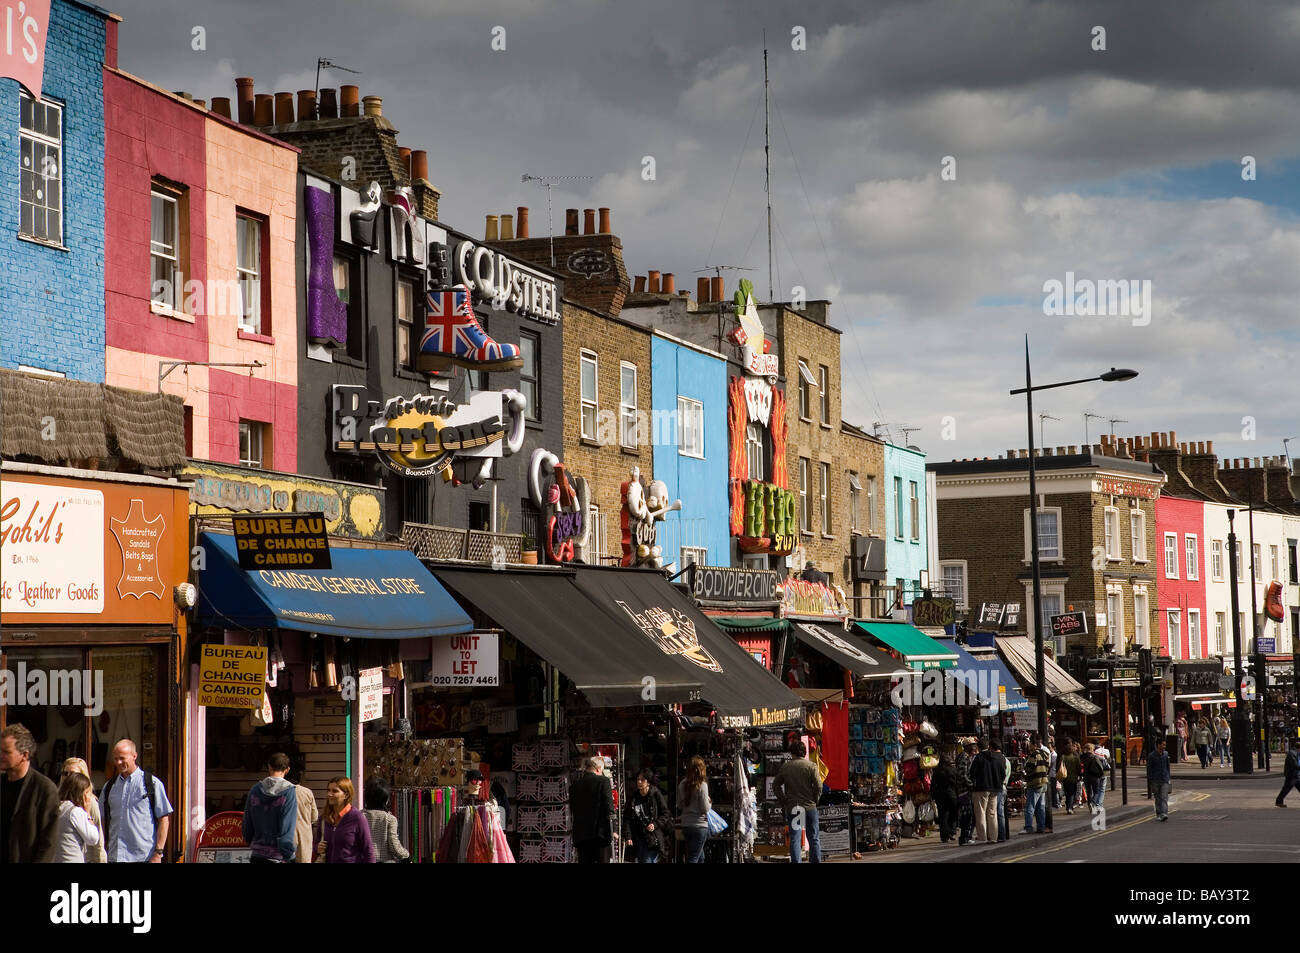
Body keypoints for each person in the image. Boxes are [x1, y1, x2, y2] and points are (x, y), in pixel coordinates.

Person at [100, 739, 173, 863]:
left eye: (122, 758)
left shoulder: (152, 783)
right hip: (115, 856)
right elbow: (101, 820)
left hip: (144, 857)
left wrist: (158, 853)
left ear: (134, 756)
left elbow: (164, 819)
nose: (118, 762)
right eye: (115, 758)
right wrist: (102, 849)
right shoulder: (109, 787)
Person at [1, 724, 59, 864]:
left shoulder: (44, 789)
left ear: (25, 755)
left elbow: (48, 843)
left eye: (6, 752)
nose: (1, 756)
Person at [242, 752, 298, 864]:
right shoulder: (289, 792)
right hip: (279, 855)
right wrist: (288, 854)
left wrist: (250, 841)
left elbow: (247, 822)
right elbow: (287, 825)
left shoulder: (255, 790)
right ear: (287, 769)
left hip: (257, 854)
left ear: (269, 766)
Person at [773, 740, 823, 863]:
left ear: (792, 752)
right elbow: (819, 786)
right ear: (804, 752)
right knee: (814, 838)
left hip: (795, 808)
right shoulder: (811, 766)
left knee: (795, 839)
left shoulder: (786, 767)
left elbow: (775, 785)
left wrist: (784, 800)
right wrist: (815, 799)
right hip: (810, 807)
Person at [316, 777, 374, 863]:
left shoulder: (357, 817)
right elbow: (315, 844)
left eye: (334, 791)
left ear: (346, 795)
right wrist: (317, 848)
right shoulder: (324, 818)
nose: (329, 794)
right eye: (328, 790)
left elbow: (368, 850)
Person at [570, 756, 615, 863]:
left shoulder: (575, 785)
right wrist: (614, 829)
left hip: (582, 836)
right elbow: (609, 807)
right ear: (599, 768)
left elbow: (573, 808)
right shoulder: (603, 781)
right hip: (600, 834)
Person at [61, 758, 106, 864]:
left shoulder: (90, 802)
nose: (68, 777)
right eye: (65, 773)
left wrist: (99, 860)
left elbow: (97, 838)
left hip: (87, 858)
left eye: (73, 774)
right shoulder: (59, 800)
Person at [54, 772, 101, 863]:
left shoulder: (57, 808)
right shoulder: (75, 812)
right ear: (82, 793)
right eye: (88, 792)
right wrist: (88, 813)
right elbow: (93, 838)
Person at [624, 771, 671, 862]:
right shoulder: (633, 797)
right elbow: (627, 818)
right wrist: (628, 836)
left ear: (648, 782)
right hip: (639, 838)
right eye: (638, 779)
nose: (639, 782)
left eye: (642, 780)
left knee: (647, 861)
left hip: (653, 837)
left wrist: (655, 824)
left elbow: (666, 813)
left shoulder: (655, 794)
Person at [362, 777, 409, 863]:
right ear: (386, 799)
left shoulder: (358, 816)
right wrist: (406, 856)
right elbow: (394, 846)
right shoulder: (389, 819)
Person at [967, 739, 1003, 844]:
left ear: (978, 747)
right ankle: (993, 837)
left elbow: (972, 773)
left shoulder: (979, 758)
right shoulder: (997, 757)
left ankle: (982, 837)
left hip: (981, 788)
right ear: (988, 746)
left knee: (981, 813)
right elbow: (1002, 772)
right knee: (992, 813)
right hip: (995, 788)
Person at [677, 755, 711, 863]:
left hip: (686, 824)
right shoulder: (702, 785)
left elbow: (679, 804)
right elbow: (705, 808)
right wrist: (710, 802)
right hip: (699, 825)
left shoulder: (682, 784)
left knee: (699, 857)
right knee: (694, 858)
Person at [1021, 732, 1050, 835]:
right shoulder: (1045, 753)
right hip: (1044, 782)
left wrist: (1025, 770)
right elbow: (1048, 766)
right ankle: (1041, 827)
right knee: (1040, 806)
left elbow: (1029, 768)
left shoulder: (1034, 755)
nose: (1029, 747)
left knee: (1030, 806)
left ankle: (1028, 827)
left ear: (1034, 745)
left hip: (1035, 783)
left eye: (1030, 745)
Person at [930, 755, 960, 843]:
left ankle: (944, 836)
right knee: (953, 814)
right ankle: (952, 832)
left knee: (943, 816)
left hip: (940, 796)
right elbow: (957, 784)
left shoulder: (937, 771)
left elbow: (933, 785)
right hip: (952, 796)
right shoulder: (953, 771)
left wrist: (933, 796)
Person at [293, 778, 318, 863]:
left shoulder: (281, 791)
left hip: (285, 835)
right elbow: (314, 817)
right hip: (304, 836)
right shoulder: (307, 792)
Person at [955, 742, 975, 844]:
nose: (974, 747)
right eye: (972, 745)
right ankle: (965, 837)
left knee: (967, 814)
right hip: (964, 791)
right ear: (967, 746)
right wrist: (971, 784)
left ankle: (966, 836)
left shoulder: (965, 756)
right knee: (967, 814)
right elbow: (962, 775)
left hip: (964, 790)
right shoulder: (964, 757)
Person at [1147, 739, 1171, 821]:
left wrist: (1168, 778)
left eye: (1165, 745)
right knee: (1158, 798)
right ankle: (1159, 813)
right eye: (1163, 745)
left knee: (1164, 797)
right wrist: (1151, 781)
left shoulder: (1166, 754)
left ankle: (1164, 813)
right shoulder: (1151, 756)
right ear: (1158, 745)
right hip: (1155, 780)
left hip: (1164, 779)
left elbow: (1168, 767)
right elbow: (1149, 769)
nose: (1164, 746)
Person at [1082, 743, 1106, 815]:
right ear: (1092, 749)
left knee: (1089, 792)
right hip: (1095, 777)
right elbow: (1100, 767)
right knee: (1096, 791)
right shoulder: (1094, 757)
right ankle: (1093, 803)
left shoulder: (1082, 757)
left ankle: (1090, 804)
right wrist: (1101, 774)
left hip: (1086, 777)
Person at [996, 739, 1011, 842]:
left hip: (999, 788)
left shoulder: (999, 760)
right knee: (1000, 812)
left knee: (999, 812)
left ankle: (1001, 834)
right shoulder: (1007, 761)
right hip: (1004, 787)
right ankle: (1003, 833)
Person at [1278, 738, 1300, 807]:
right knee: (1286, 789)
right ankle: (1279, 801)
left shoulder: (1295, 753)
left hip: (1295, 774)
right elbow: (1294, 765)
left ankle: (1279, 801)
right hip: (1292, 775)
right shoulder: (1292, 754)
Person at [1060, 741, 1081, 813]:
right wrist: (1080, 775)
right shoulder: (1075, 758)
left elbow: (1059, 767)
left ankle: (1068, 806)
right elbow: (1079, 768)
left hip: (1065, 777)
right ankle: (1070, 807)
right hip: (1073, 777)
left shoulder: (1063, 757)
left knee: (1067, 793)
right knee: (1072, 793)